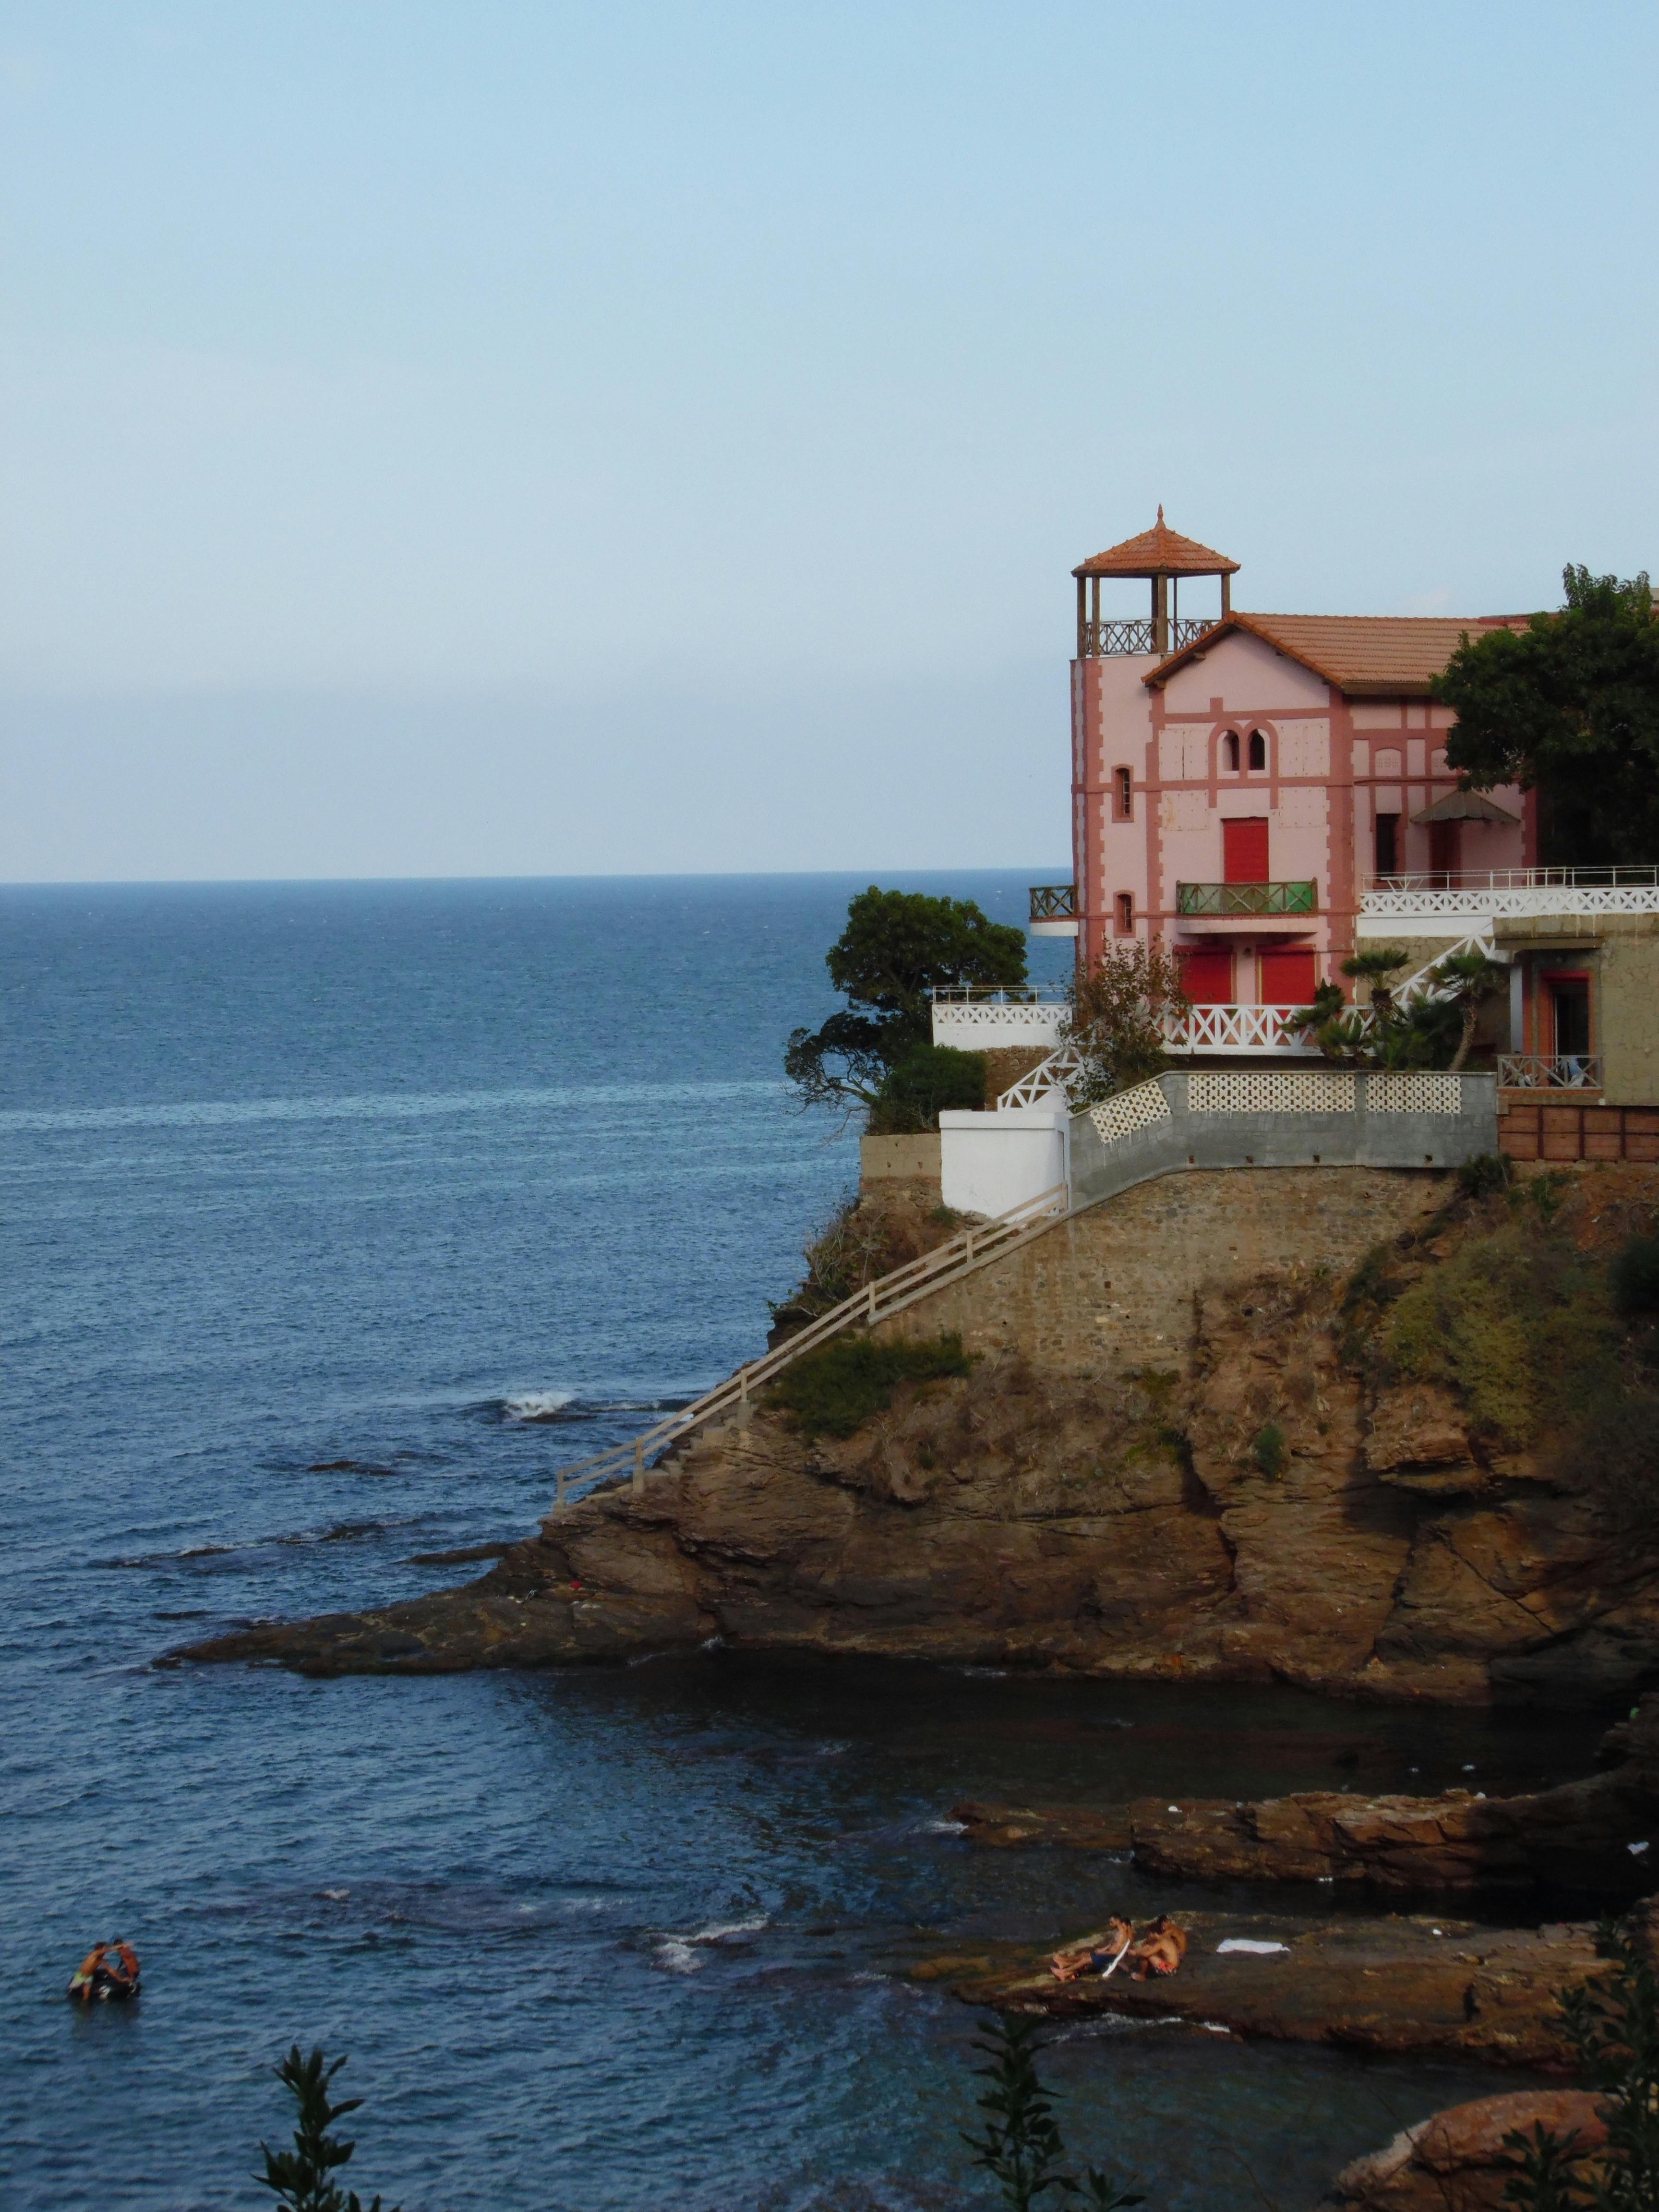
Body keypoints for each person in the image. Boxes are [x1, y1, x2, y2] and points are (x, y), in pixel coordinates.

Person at [1049, 1915, 1133, 1983]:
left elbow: (1115, 1952)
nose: (1110, 1924)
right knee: (1084, 1956)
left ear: (1119, 1922)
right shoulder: (1119, 1933)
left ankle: (1063, 1972)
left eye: (1112, 1922)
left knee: (1085, 1960)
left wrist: (1102, 1953)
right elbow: (1112, 1945)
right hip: (1108, 1954)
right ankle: (1064, 1965)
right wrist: (1102, 1950)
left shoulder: (1122, 1935)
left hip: (1110, 1957)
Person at [65, 1939, 140, 2002]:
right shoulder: (93, 1954)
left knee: (86, 1995)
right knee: (71, 1990)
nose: (105, 1951)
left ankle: (85, 2009)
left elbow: (110, 1971)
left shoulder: (101, 1960)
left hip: (89, 1978)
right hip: (81, 1976)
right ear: (100, 1949)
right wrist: (122, 1945)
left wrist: (121, 1979)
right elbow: (109, 1949)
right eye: (104, 1949)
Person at [1130, 1913, 1187, 1980]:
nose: (1149, 1936)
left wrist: (1135, 1953)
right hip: (1175, 1967)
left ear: (1153, 1934)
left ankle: (1142, 1976)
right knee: (1151, 1952)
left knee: (1147, 1955)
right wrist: (1135, 1950)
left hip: (1171, 1969)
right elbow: (1149, 1947)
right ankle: (1147, 1971)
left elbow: (1147, 1953)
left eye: (1149, 1934)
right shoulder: (1166, 1939)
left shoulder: (1162, 1941)